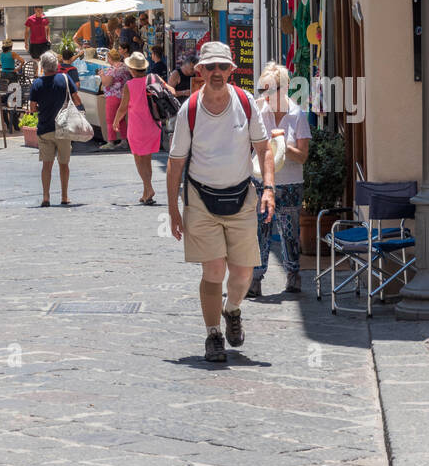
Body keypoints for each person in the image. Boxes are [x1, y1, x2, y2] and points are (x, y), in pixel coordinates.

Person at [166, 41, 274, 364]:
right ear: (199, 72)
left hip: (241, 196)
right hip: (201, 198)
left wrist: (268, 188)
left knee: (242, 275)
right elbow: (175, 163)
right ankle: (213, 334)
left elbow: (265, 149)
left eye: (222, 67)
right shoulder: (191, 110)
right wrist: (173, 208)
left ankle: (232, 309)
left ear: (231, 70)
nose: (216, 73)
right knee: (213, 269)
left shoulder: (245, 102)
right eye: (209, 67)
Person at [248, 61, 310, 298]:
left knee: (289, 232)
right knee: (260, 230)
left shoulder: (297, 115)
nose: (264, 95)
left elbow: (303, 156)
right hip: (261, 180)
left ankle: (293, 275)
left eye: (269, 90)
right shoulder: (258, 111)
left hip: (291, 182)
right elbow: (248, 145)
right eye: (261, 89)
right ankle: (255, 279)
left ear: (283, 89)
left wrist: (283, 144)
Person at [29, 50, 86, 207]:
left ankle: (46, 197)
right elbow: (77, 99)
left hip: (45, 128)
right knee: (64, 164)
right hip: (63, 128)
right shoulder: (65, 78)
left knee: (46, 165)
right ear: (56, 65)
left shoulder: (37, 84)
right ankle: (64, 196)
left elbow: (33, 108)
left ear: (43, 66)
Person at [112, 51, 163, 203]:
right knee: (147, 159)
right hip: (154, 124)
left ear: (132, 70)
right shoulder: (154, 79)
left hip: (137, 126)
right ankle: (146, 192)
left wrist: (116, 121)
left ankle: (149, 187)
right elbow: (170, 91)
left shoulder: (129, 85)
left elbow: (122, 108)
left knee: (139, 159)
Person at [99, 46, 129, 151]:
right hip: (124, 96)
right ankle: (124, 140)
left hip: (113, 96)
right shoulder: (125, 67)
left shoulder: (112, 69)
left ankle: (111, 141)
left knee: (110, 119)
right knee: (121, 119)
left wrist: (102, 75)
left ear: (110, 58)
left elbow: (107, 83)